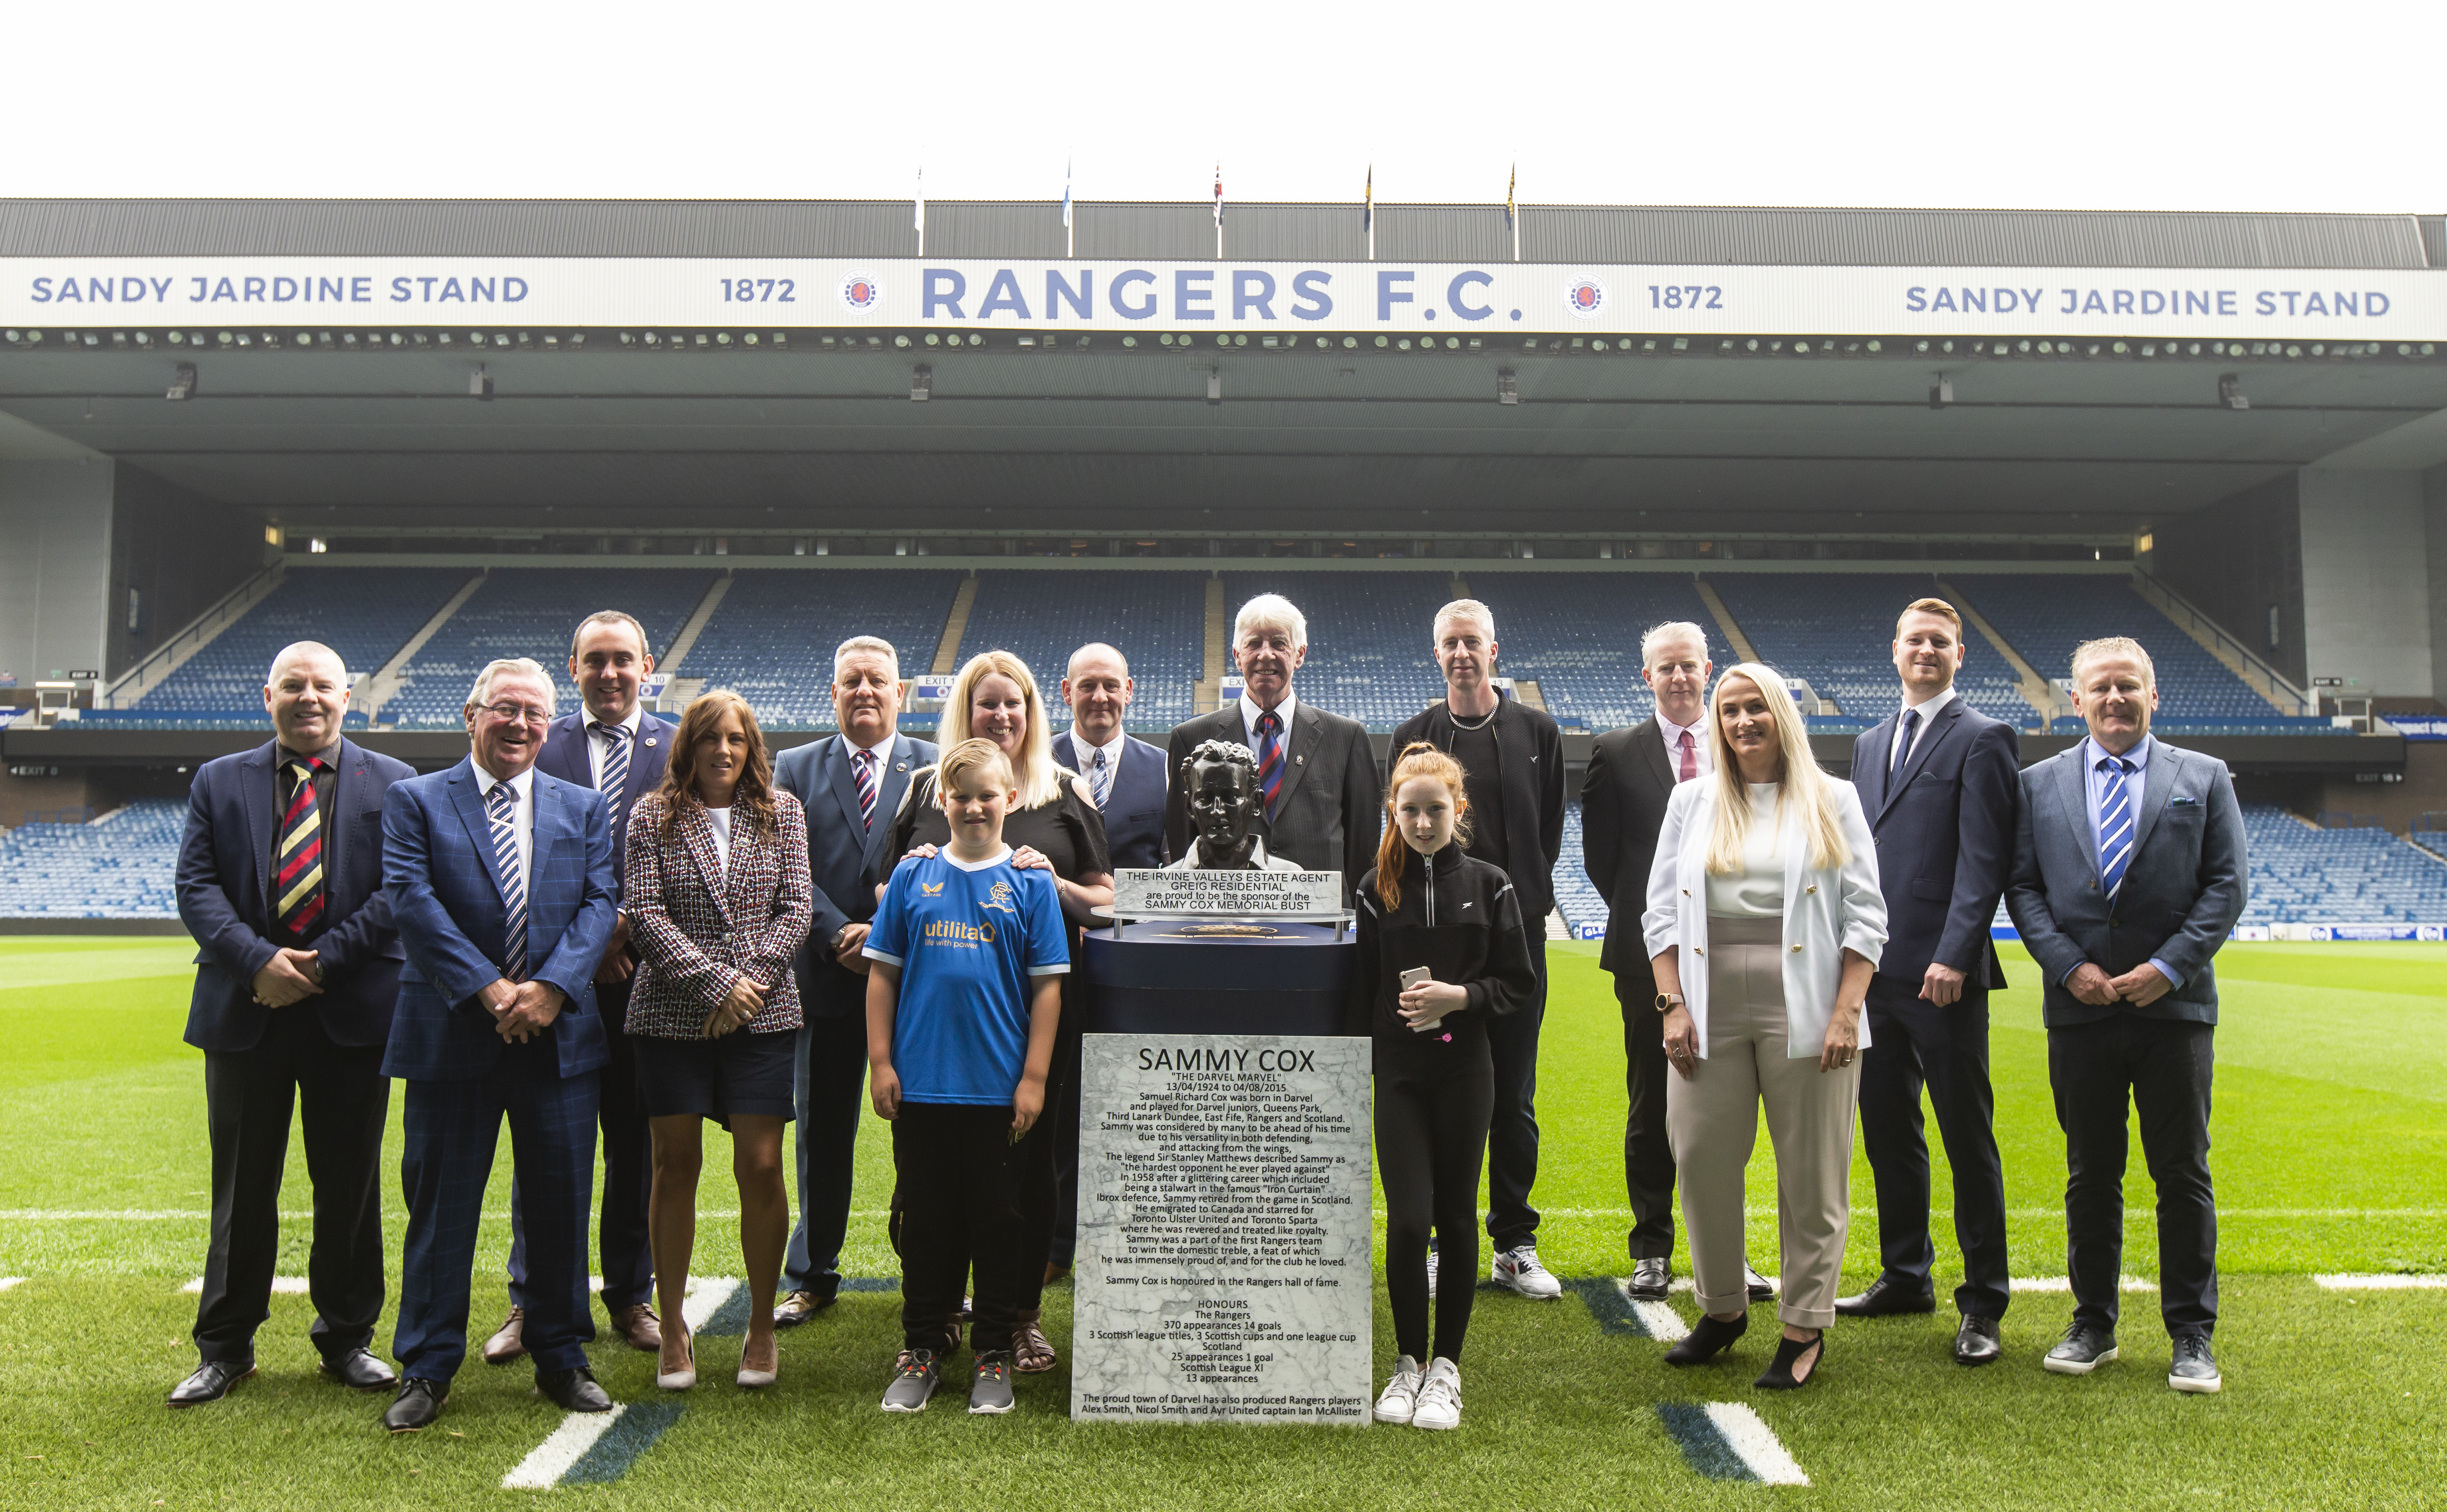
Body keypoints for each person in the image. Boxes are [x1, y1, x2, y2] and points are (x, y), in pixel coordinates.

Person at [377, 657, 620, 1431]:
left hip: (558, 1039)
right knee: (441, 1211)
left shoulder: (583, 807)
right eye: (504, 708)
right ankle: (427, 1365)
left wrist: (549, 990)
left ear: (550, 725)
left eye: (533, 713)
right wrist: (490, 991)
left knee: (559, 1208)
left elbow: (601, 902)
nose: (519, 724)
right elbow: (410, 899)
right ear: (471, 715)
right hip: (453, 1036)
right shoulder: (415, 799)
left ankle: (561, 1357)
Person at [168, 641, 414, 1407]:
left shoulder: (396, 782)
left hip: (352, 1012)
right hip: (247, 1011)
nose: (310, 698)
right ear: (267, 695)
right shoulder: (218, 780)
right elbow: (196, 886)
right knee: (242, 1187)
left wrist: (319, 966)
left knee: (350, 1185)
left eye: (324, 687)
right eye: (294, 685)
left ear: (348, 698)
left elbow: (399, 889)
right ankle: (225, 1347)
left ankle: (347, 1339)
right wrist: (259, 964)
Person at [2005, 637, 2246, 1394]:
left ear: (2152, 695)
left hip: (2174, 1009)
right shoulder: (2036, 784)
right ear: (2075, 700)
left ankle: (2191, 1334)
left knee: (2182, 1171)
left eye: (2129, 686)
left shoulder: (2203, 776)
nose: (2115, 699)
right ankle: (2093, 1323)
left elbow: (2227, 884)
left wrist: (2167, 968)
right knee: (2090, 1172)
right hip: (2080, 1011)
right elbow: (2023, 888)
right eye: (2100, 688)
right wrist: (2068, 966)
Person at [1643, 663, 1886, 1391]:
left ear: (1782, 714)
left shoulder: (1833, 798)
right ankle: (1722, 1309)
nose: (1743, 721)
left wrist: (1846, 1012)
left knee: (1812, 1172)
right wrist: (1672, 1005)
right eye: (1730, 710)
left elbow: (1866, 915)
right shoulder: (1690, 800)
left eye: (1757, 707)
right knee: (1699, 1156)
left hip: (1808, 1004)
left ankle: (1803, 1324)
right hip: (1706, 1002)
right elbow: (1659, 912)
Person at [881, 649, 1112, 1368]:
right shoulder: (924, 787)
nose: (1002, 714)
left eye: (1014, 703)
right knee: (935, 1174)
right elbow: (886, 892)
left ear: (1033, 711)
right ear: (966, 711)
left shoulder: (1064, 789)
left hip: (1031, 1017)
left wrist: (1057, 885)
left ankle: (1017, 1316)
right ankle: (941, 1309)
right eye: (988, 703)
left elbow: (1107, 901)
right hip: (934, 1029)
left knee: (1029, 1168)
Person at [485, 610, 674, 1366]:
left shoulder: (678, 747)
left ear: (647, 666)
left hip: (646, 980)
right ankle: (533, 1300)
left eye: (623, 659)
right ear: (573, 669)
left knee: (635, 1148)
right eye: (595, 660)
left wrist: (623, 931)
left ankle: (630, 1295)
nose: (610, 673)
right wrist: (584, 952)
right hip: (554, 981)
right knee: (545, 1148)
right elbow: (514, 853)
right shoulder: (538, 739)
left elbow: (688, 850)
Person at [1836, 598, 2022, 1366]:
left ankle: (1983, 1302)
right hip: (1874, 971)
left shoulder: (1984, 738)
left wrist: (1957, 953)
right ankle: (1906, 1275)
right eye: (1915, 639)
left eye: (1940, 642)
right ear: (1895, 649)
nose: (1926, 651)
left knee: (1965, 1137)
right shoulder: (1868, 742)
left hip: (1944, 976)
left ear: (1958, 655)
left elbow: (1985, 860)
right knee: (1888, 1130)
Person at [864, 738, 1070, 1416]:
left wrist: (1033, 1078)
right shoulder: (911, 877)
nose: (975, 807)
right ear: (942, 801)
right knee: (927, 1222)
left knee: (999, 1223)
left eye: (987, 796)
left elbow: (1047, 990)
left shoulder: (1031, 883)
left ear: (1010, 799)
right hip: (923, 1088)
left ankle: (993, 1354)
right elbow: (882, 975)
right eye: (962, 797)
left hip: (998, 1093)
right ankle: (922, 1347)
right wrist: (881, 1062)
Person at [622, 689, 814, 1391]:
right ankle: (673, 1327)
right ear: (689, 746)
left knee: (761, 1167)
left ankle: (761, 1326)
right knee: (675, 1167)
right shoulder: (653, 815)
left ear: (751, 747)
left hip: (762, 1014)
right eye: (710, 738)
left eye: (735, 739)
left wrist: (746, 989)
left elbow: (797, 907)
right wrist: (715, 987)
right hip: (672, 1016)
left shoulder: (782, 812)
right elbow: (644, 912)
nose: (723, 750)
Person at [1350, 743, 1540, 1432]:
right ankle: (1407, 1364)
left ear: (1458, 809)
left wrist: (1459, 997)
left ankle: (1446, 1370)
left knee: (1457, 1217)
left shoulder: (1492, 884)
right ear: (1392, 813)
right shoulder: (1374, 889)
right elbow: (1361, 988)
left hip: (1467, 1072)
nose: (1423, 823)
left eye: (1436, 809)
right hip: (1401, 1075)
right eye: (1410, 811)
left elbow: (1518, 983)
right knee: (1407, 1220)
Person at [1581, 622, 1772, 1305]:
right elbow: (1602, 861)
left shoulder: (1742, 746)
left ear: (1707, 669)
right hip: (1648, 962)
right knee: (1652, 1101)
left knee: (1730, 1110)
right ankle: (1652, 1249)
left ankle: (1725, 1254)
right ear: (1648, 677)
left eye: (1689, 666)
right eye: (1666, 668)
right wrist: (1661, 927)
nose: (1679, 677)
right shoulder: (1614, 751)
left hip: (1737, 952)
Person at [1391, 599, 1565, 1303]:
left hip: (1514, 938)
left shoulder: (1537, 732)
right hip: (1437, 946)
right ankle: (1439, 1241)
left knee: (1513, 1096)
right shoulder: (1413, 736)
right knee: (1439, 1091)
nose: (1461, 654)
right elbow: (1402, 829)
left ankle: (1513, 1244)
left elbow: (1546, 832)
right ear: (1436, 653)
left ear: (1494, 649)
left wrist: (1515, 902)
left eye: (1472, 642)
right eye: (1450, 644)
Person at [772, 636, 937, 1326]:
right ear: (833, 693)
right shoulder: (794, 767)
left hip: (920, 982)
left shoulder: (935, 764)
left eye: (877, 681)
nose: (864, 691)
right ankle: (812, 1273)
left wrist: (886, 935)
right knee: (822, 1135)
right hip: (828, 975)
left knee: (928, 1138)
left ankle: (932, 1269)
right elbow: (783, 864)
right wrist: (839, 931)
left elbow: (952, 860)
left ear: (900, 693)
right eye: (852, 681)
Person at [1164, 593, 1379, 897]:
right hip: (1226, 915)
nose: (1266, 655)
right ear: (1237, 655)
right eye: (1254, 644)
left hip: (1319, 919)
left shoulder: (1347, 737)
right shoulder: (1190, 738)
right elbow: (1184, 846)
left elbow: (1364, 851)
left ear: (1300, 655)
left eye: (1279, 643)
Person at [1054, 641, 1169, 870]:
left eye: (1111, 686)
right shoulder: (1036, 764)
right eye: (1087, 686)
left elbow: (1175, 865)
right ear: (1067, 692)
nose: (1100, 697)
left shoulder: (1164, 766)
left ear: (1128, 691)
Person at [1166, 739, 1303, 870]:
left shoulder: (1291, 876)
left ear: (1257, 803)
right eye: (1205, 798)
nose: (1217, 811)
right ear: (1189, 806)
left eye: (1231, 798)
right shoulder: (1166, 880)